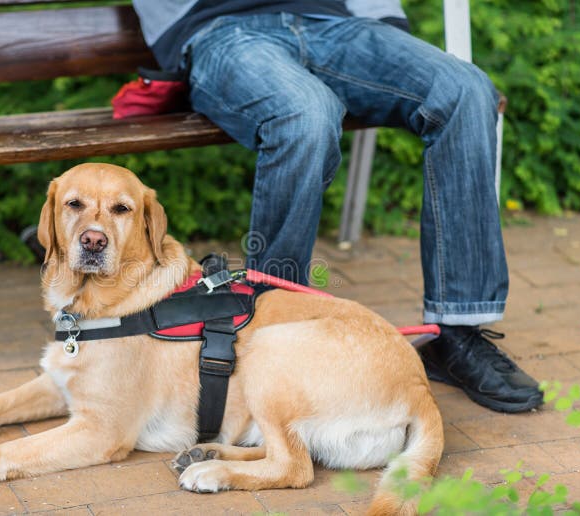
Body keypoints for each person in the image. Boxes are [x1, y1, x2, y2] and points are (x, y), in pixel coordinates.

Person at [131, 0, 543, 413]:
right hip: (223, 30)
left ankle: (457, 335)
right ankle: (269, 331)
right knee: (304, 116)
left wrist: (381, 20)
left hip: (336, 21)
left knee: (465, 89)